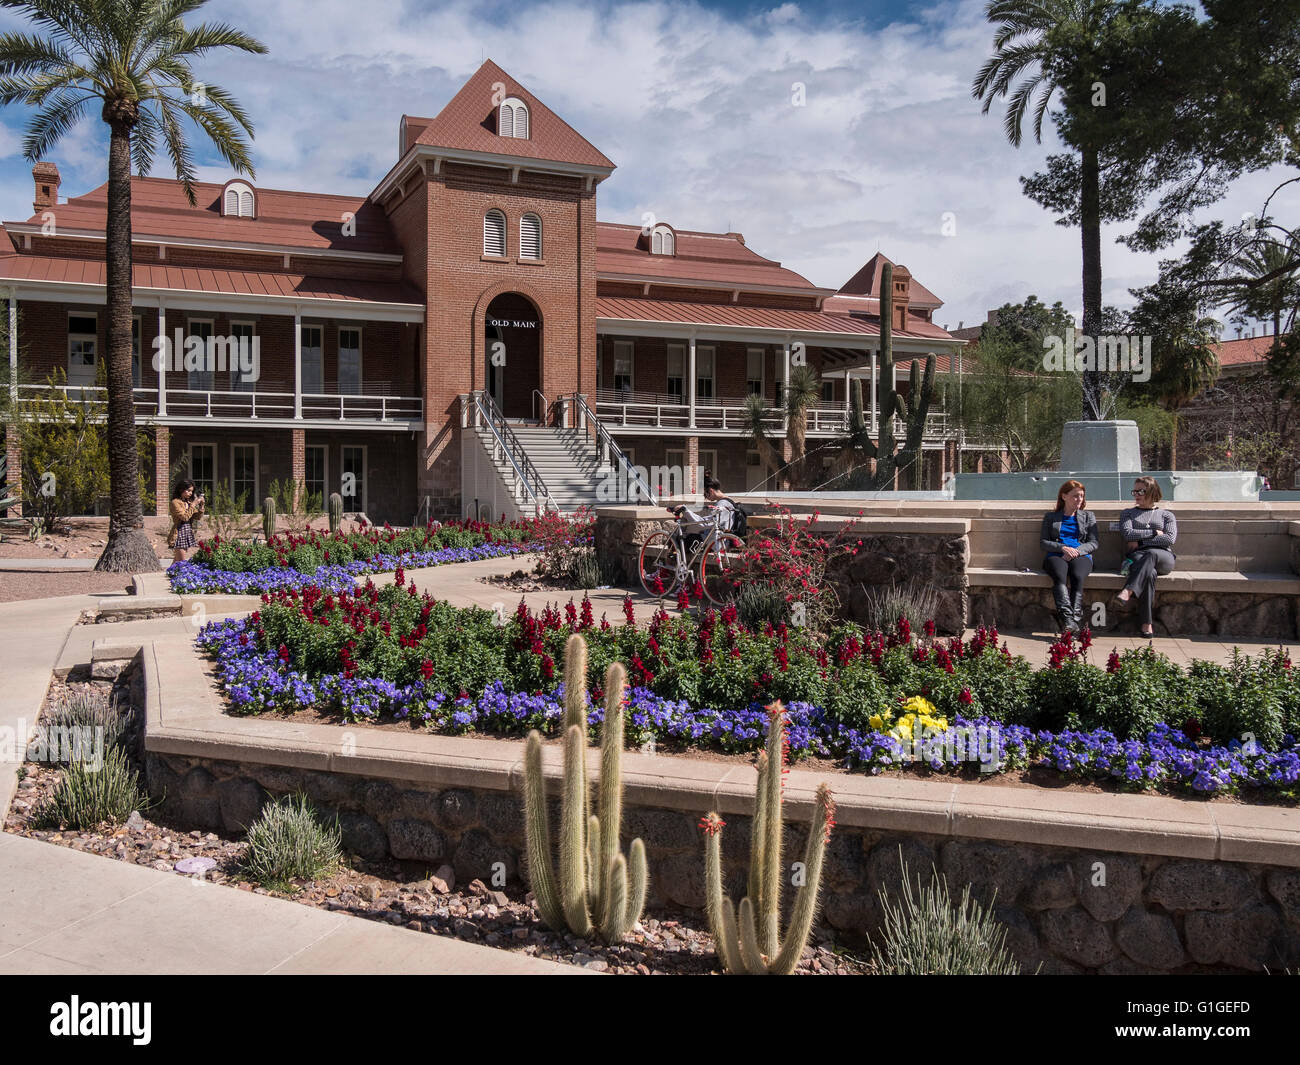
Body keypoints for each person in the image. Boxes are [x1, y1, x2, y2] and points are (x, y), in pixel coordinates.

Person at [1115, 476, 1177, 638]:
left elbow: (1170, 538)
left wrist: (1141, 540)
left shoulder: (1166, 515)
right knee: (1149, 574)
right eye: (1134, 491)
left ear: (1152, 491)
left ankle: (1128, 590)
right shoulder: (1128, 514)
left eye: (1141, 491)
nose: (1136, 494)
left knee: (1151, 553)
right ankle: (1146, 623)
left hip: (1163, 557)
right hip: (1138, 557)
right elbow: (1128, 534)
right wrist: (1154, 533)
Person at [1040, 479, 1098, 633]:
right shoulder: (1051, 517)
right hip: (1057, 555)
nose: (1080, 499)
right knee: (1059, 576)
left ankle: (1072, 623)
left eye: (1082, 496)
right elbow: (1044, 542)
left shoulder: (1088, 516)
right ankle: (1068, 620)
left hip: (1081, 555)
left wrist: (1077, 551)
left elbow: (1093, 543)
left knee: (1077, 577)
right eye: (1075, 496)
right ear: (1064, 496)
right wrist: (1063, 548)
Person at [667, 472, 738, 552]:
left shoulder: (722, 504)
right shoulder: (730, 502)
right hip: (721, 541)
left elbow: (704, 523)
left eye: (705, 494)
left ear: (711, 491)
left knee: (679, 540)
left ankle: (671, 561)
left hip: (714, 543)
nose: (705, 498)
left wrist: (685, 510)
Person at [168, 479, 206, 562]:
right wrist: (193, 505)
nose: (190, 493)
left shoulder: (188, 502)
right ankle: (175, 574)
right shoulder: (175, 502)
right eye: (188, 490)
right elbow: (184, 517)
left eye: (191, 491)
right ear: (181, 489)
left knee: (177, 562)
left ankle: (169, 574)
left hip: (187, 531)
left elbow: (197, 517)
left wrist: (201, 506)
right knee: (182, 562)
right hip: (179, 533)